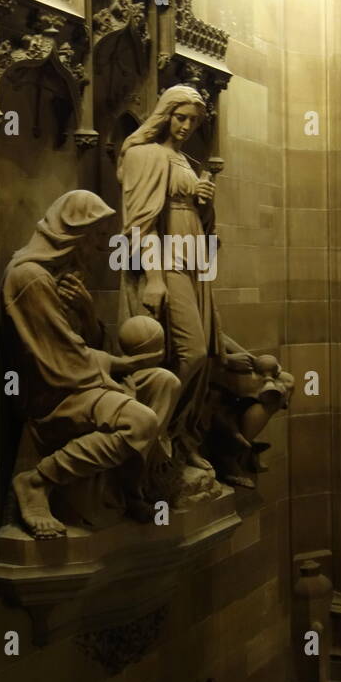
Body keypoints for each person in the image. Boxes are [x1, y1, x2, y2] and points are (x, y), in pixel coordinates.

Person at [2, 190, 180, 538]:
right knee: (140, 423)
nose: (102, 245)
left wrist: (87, 314)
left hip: (81, 380)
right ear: (74, 232)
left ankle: (131, 483)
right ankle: (37, 480)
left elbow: (86, 343)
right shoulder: (30, 278)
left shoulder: (65, 275)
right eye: (97, 234)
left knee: (164, 383)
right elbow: (60, 362)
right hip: (55, 395)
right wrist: (124, 364)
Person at [116, 84, 223, 468]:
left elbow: (202, 223)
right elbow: (140, 222)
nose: (187, 126)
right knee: (190, 350)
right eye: (181, 118)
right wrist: (155, 277)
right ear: (166, 114)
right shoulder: (146, 154)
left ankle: (180, 436)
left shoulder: (186, 161)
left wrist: (205, 206)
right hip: (170, 260)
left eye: (194, 121)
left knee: (205, 354)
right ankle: (155, 432)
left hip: (195, 260)